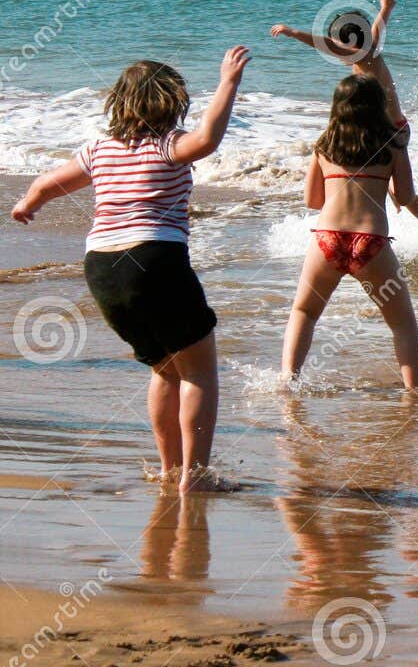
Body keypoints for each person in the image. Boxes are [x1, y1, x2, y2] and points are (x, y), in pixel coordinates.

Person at [10, 48, 251, 492]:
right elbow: (208, 139)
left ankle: (170, 470)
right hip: (154, 259)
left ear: (119, 102)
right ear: (172, 102)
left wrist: (29, 203)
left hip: (102, 268)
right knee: (198, 372)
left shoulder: (98, 150)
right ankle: (196, 476)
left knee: (164, 369)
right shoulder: (168, 144)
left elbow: (47, 183)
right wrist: (229, 82)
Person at [271, 0, 418, 258]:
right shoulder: (369, 53)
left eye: (340, 44)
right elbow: (373, 33)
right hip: (384, 132)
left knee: (397, 193)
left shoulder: (365, 56)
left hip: (391, 133)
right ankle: (402, 233)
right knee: (385, 189)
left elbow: (329, 45)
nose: (337, 52)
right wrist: (385, 9)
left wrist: (294, 32)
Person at [282, 74, 418, 389]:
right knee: (402, 324)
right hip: (370, 242)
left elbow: (312, 200)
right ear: (378, 106)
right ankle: (415, 392)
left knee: (304, 312)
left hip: (327, 239)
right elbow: (405, 197)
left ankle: (288, 382)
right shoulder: (393, 143)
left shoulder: (324, 146)